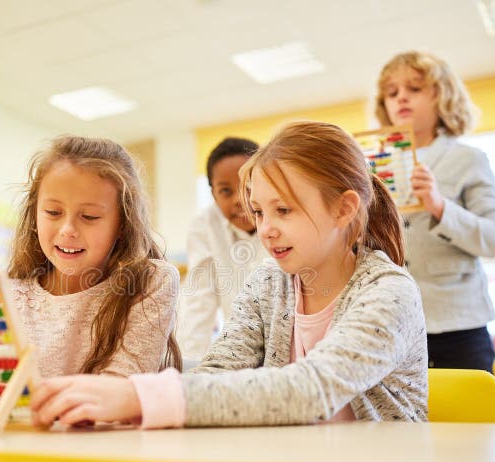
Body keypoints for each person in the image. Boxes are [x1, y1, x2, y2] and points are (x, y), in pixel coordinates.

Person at [28, 121, 428, 430]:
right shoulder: (268, 284)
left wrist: (138, 395)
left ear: (343, 210)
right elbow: (218, 371)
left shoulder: (388, 291)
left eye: (283, 210)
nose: (265, 228)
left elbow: (314, 388)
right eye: (258, 212)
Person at [0, 136, 180, 415]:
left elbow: (118, 393)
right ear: (35, 212)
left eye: (89, 217)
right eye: (53, 212)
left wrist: (18, 402)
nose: (67, 229)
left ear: (123, 223)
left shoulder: (150, 281)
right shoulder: (5, 293)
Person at [374, 51, 495, 373]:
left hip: (460, 326)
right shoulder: (373, 167)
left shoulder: (469, 159)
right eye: (392, 92)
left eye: (414, 88)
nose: (401, 97)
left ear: (441, 96)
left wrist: (439, 205)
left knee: (470, 421)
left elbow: (494, 239)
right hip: (394, 325)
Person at [178, 137, 268, 362]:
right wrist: (188, 365)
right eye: (226, 191)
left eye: (247, 187)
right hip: (241, 351)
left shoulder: (284, 220)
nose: (240, 200)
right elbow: (200, 298)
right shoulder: (205, 225)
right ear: (213, 194)